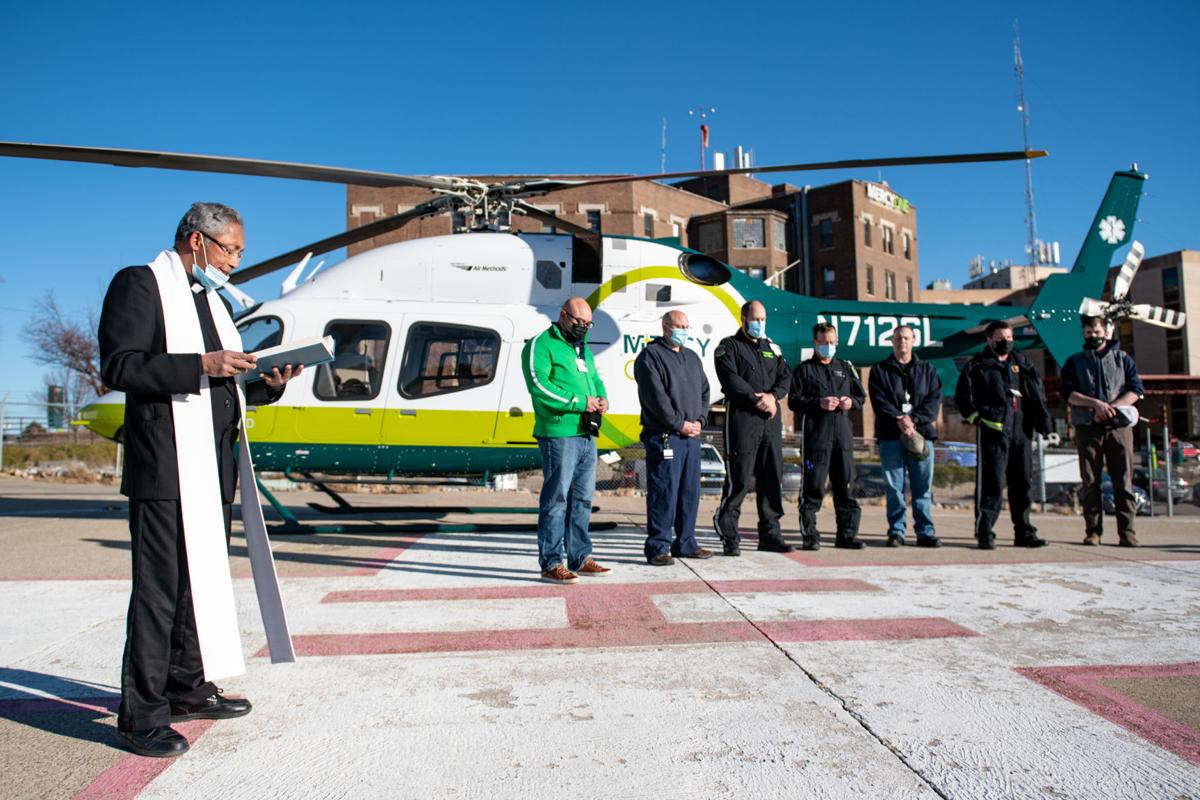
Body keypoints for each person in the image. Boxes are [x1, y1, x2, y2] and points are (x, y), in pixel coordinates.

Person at [99, 203, 302, 758]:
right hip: (166, 467)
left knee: (198, 584)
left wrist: (269, 383)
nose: (237, 260)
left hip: (211, 466)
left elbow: (221, 388)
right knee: (159, 592)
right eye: (231, 249)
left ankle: (186, 688)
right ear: (197, 241)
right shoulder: (140, 284)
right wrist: (201, 365)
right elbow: (119, 366)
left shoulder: (207, 302)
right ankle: (139, 715)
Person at [521, 297, 613, 583]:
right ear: (562, 315)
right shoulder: (540, 344)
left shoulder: (582, 347)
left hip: (586, 433)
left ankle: (579, 556)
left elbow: (594, 378)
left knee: (582, 499)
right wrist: (578, 402)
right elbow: (538, 385)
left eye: (588, 324)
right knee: (557, 499)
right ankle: (551, 562)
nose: (583, 327)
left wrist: (601, 398)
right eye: (578, 322)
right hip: (559, 433)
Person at [954, 320, 1051, 550]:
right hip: (993, 432)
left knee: (1022, 483)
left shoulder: (1022, 362)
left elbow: (1037, 391)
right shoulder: (977, 366)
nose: (1006, 342)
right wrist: (977, 418)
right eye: (1000, 338)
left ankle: (1024, 531)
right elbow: (963, 399)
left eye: (1009, 338)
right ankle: (985, 531)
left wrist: (1042, 420)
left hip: (1021, 431)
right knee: (992, 484)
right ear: (989, 340)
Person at [712, 300, 793, 555]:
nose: (759, 324)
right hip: (743, 419)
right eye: (755, 319)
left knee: (771, 477)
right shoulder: (728, 346)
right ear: (744, 318)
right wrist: (759, 400)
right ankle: (729, 535)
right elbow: (731, 380)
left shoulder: (772, 348)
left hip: (770, 422)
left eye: (762, 320)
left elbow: (785, 377)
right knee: (740, 478)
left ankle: (770, 535)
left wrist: (773, 397)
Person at [634, 311, 713, 565]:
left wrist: (700, 421)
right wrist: (679, 424)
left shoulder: (691, 357)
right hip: (666, 436)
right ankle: (658, 546)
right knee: (664, 492)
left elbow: (704, 391)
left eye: (687, 326)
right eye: (678, 326)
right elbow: (655, 397)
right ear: (665, 327)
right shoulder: (651, 356)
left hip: (692, 437)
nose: (683, 331)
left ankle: (686, 543)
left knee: (690, 492)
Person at [1060, 316, 1145, 547]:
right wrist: (1094, 405)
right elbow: (1068, 394)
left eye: (1096, 331)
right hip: (1087, 428)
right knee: (1090, 482)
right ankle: (1093, 531)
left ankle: (1127, 532)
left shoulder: (1123, 359)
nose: (1092, 336)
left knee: (1123, 481)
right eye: (1088, 332)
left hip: (1118, 428)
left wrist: (1111, 408)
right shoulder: (1073, 362)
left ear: (1106, 332)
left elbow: (1136, 390)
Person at [789, 322, 866, 550]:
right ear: (815, 343)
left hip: (843, 440)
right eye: (824, 343)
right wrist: (818, 403)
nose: (829, 346)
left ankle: (847, 535)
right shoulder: (804, 370)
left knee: (846, 489)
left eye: (832, 343)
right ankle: (810, 536)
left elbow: (860, 397)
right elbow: (794, 401)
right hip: (816, 442)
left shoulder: (845, 367)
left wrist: (851, 402)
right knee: (813, 490)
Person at [867, 324, 943, 547]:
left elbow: (933, 401)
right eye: (898, 338)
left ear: (913, 341)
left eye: (907, 338)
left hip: (921, 436)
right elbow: (879, 401)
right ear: (892, 341)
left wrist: (914, 420)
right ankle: (896, 531)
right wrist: (900, 419)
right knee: (894, 488)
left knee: (922, 488)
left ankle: (925, 532)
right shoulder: (880, 370)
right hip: (891, 436)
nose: (902, 342)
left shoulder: (927, 370)